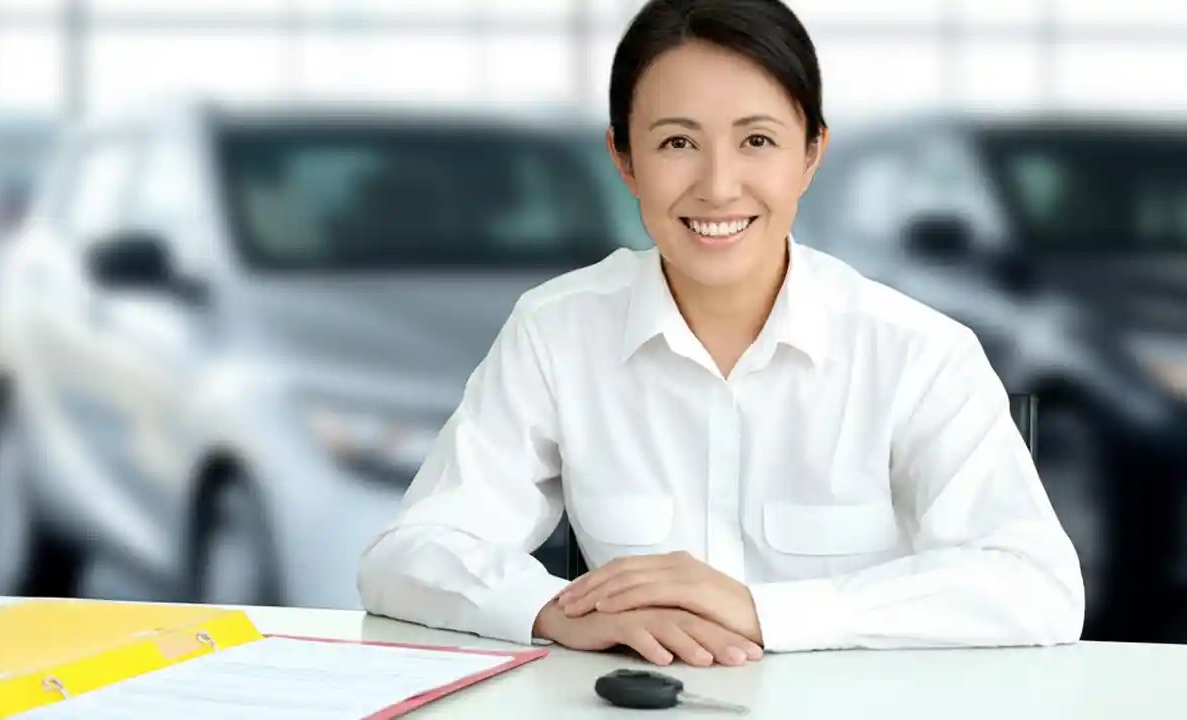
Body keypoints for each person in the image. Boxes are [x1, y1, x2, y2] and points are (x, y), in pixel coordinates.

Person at [358, 0, 1084, 666]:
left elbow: (1036, 586)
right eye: (677, 143)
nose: (717, 185)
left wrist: (763, 611)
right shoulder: (557, 330)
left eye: (757, 140)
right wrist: (548, 608)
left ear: (811, 154)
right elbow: (409, 554)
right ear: (624, 159)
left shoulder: (918, 351)